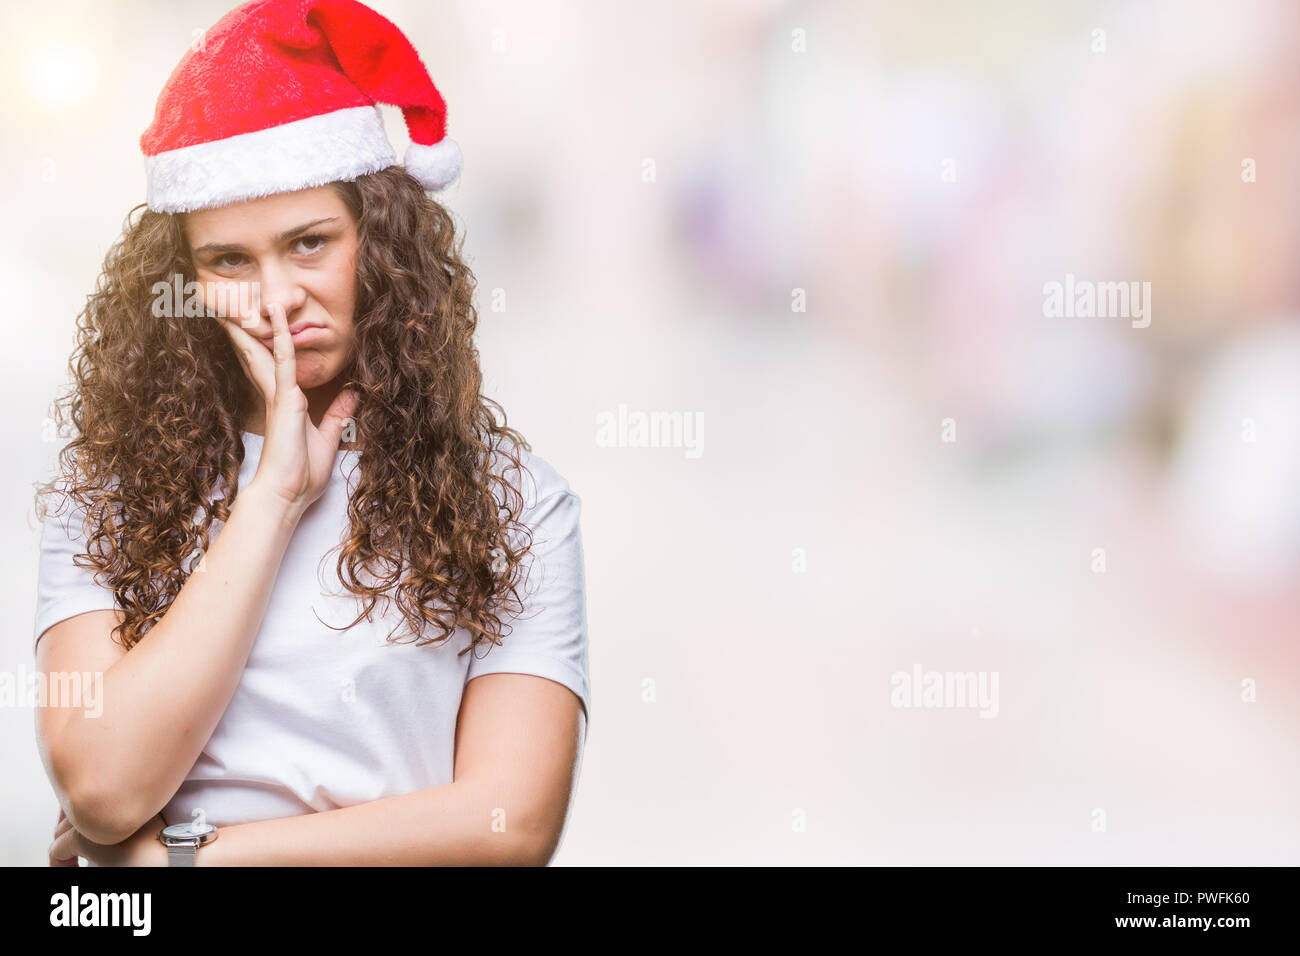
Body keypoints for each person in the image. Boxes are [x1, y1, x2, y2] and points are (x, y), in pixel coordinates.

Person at [34, 0, 590, 866]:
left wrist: (183, 860)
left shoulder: (516, 503)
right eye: (228, 261)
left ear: (382, 242)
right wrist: (275, 500)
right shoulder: (106, 489)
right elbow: (103, 789)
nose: (275, 297)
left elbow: (509, 826)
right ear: (184, 281)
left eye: (308, 244)